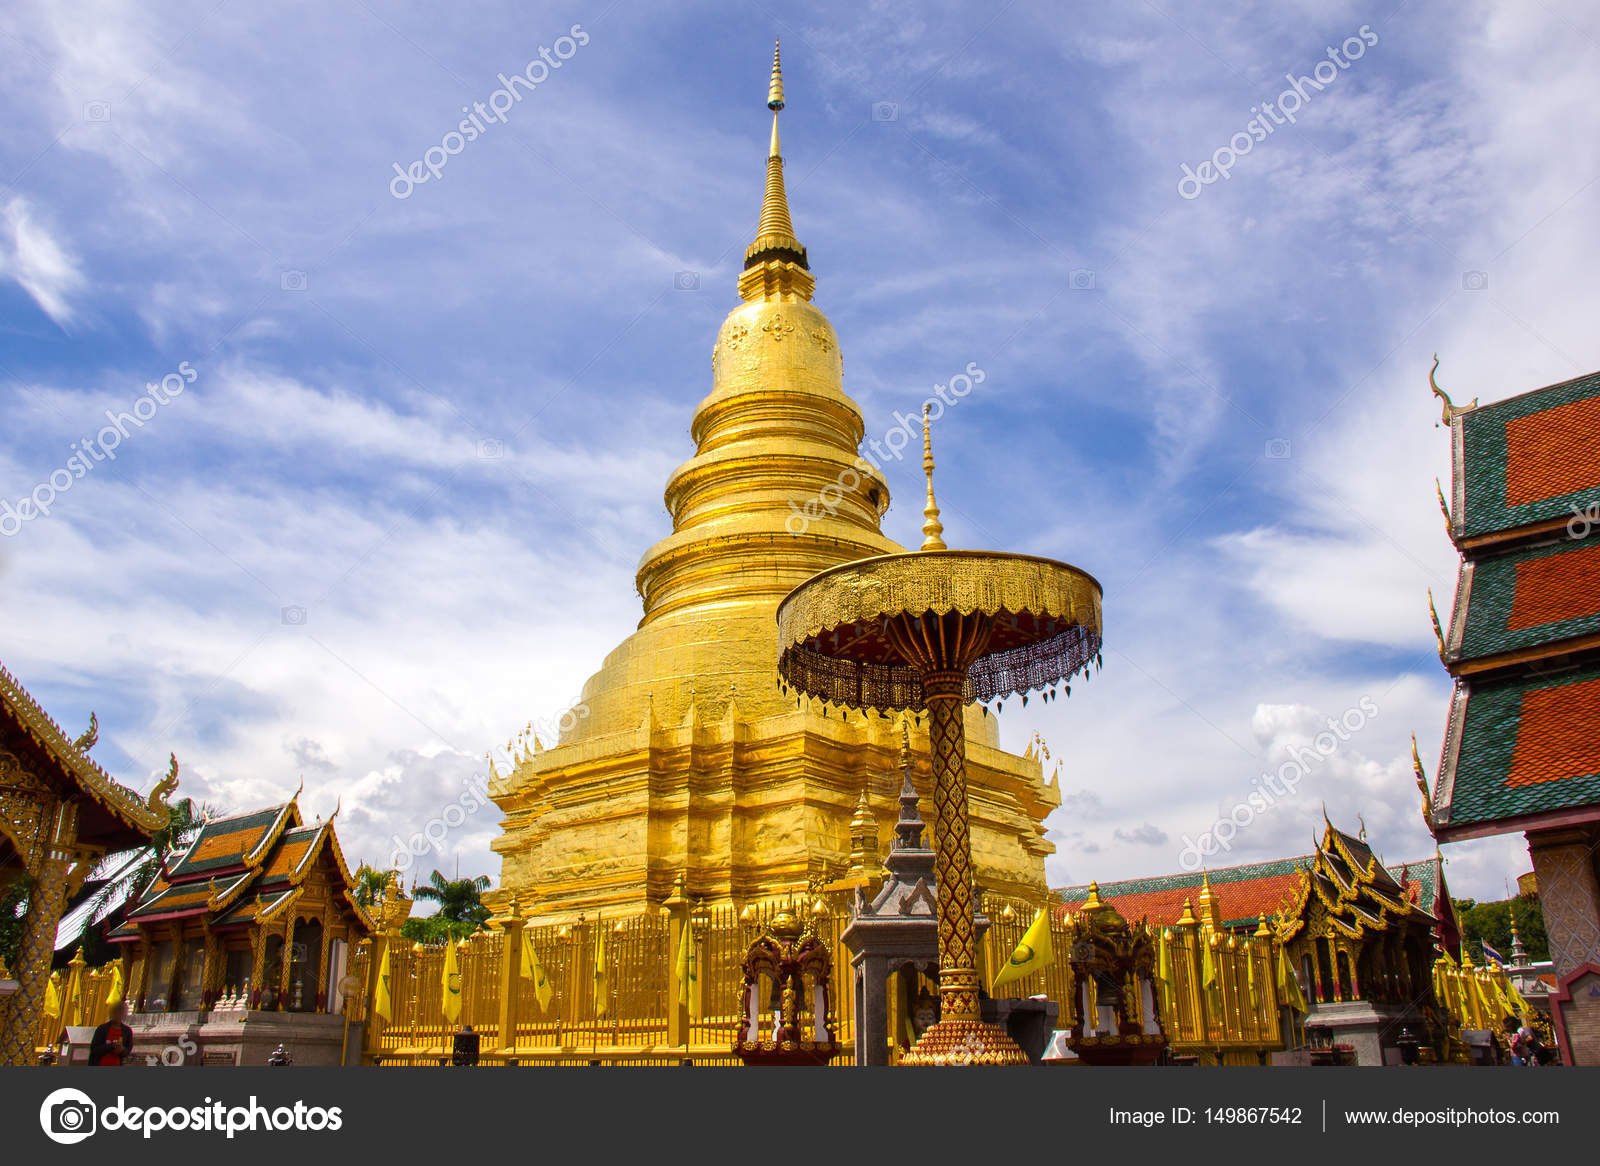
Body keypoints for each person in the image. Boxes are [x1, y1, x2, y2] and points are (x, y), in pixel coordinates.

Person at [89, 1001, 134, 1066]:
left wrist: (122, 1050)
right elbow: (94, 1049)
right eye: (117, 1012)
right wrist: (111, 1046)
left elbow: (128, 1050)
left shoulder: (127, 1031)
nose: (119, 1015)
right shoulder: (102, 1029)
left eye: (122, 1012)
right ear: (112, 1013)